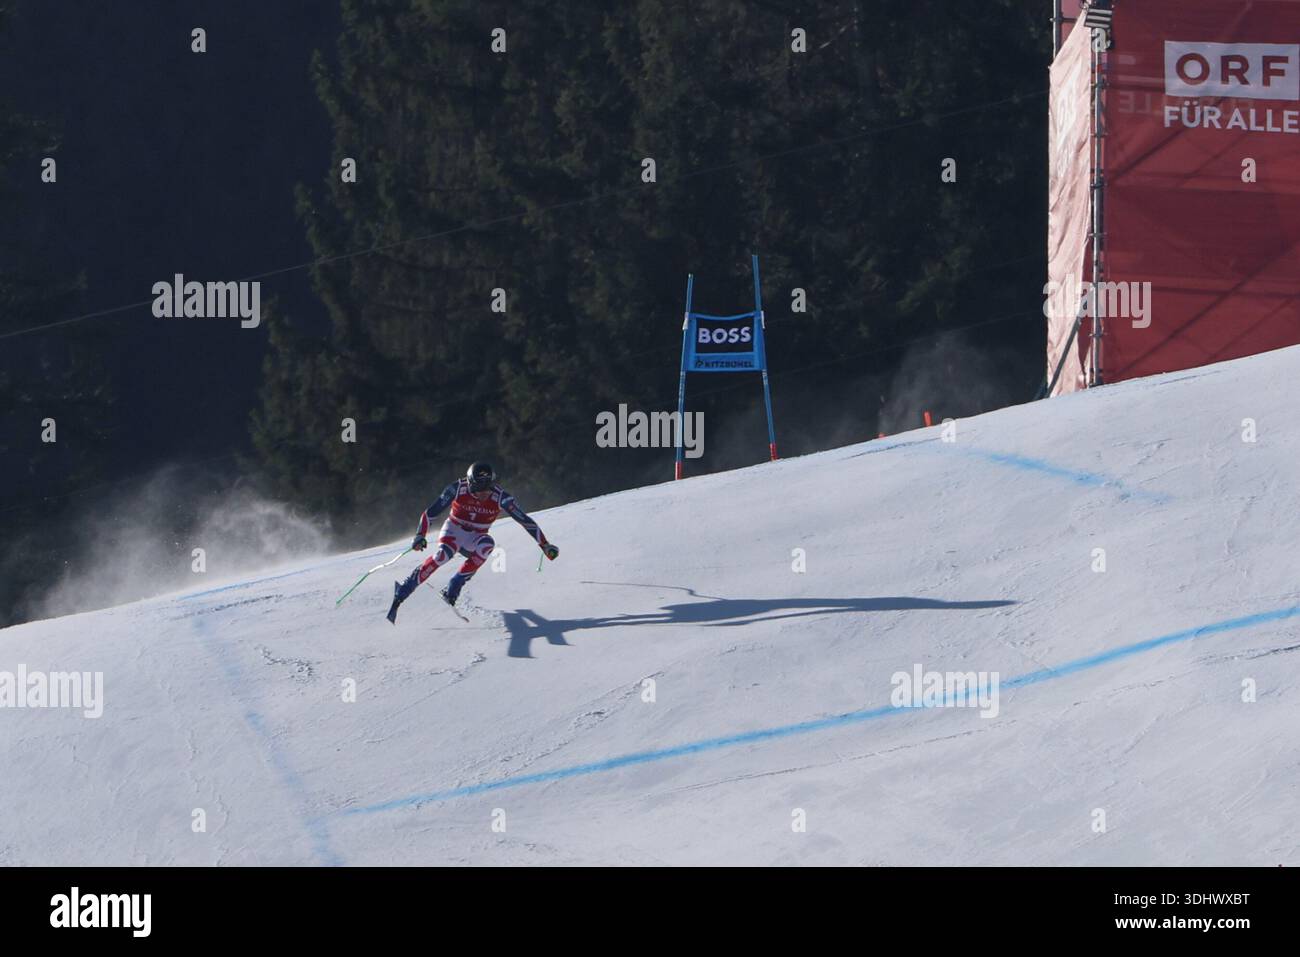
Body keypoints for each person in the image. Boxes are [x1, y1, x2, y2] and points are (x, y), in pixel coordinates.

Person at [386, 462, 558, 623]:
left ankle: (454, 586)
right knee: (442, 555)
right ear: (470, 483)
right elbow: (430, 513)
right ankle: (403, 591)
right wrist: (420, 535)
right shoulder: (457, 488)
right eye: (478, 488)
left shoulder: (501, 497)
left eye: (488, 487)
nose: (484, 493)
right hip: (454, 529)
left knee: (487, 546)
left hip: (475, 536)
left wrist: (544, 544)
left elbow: (525, 520)